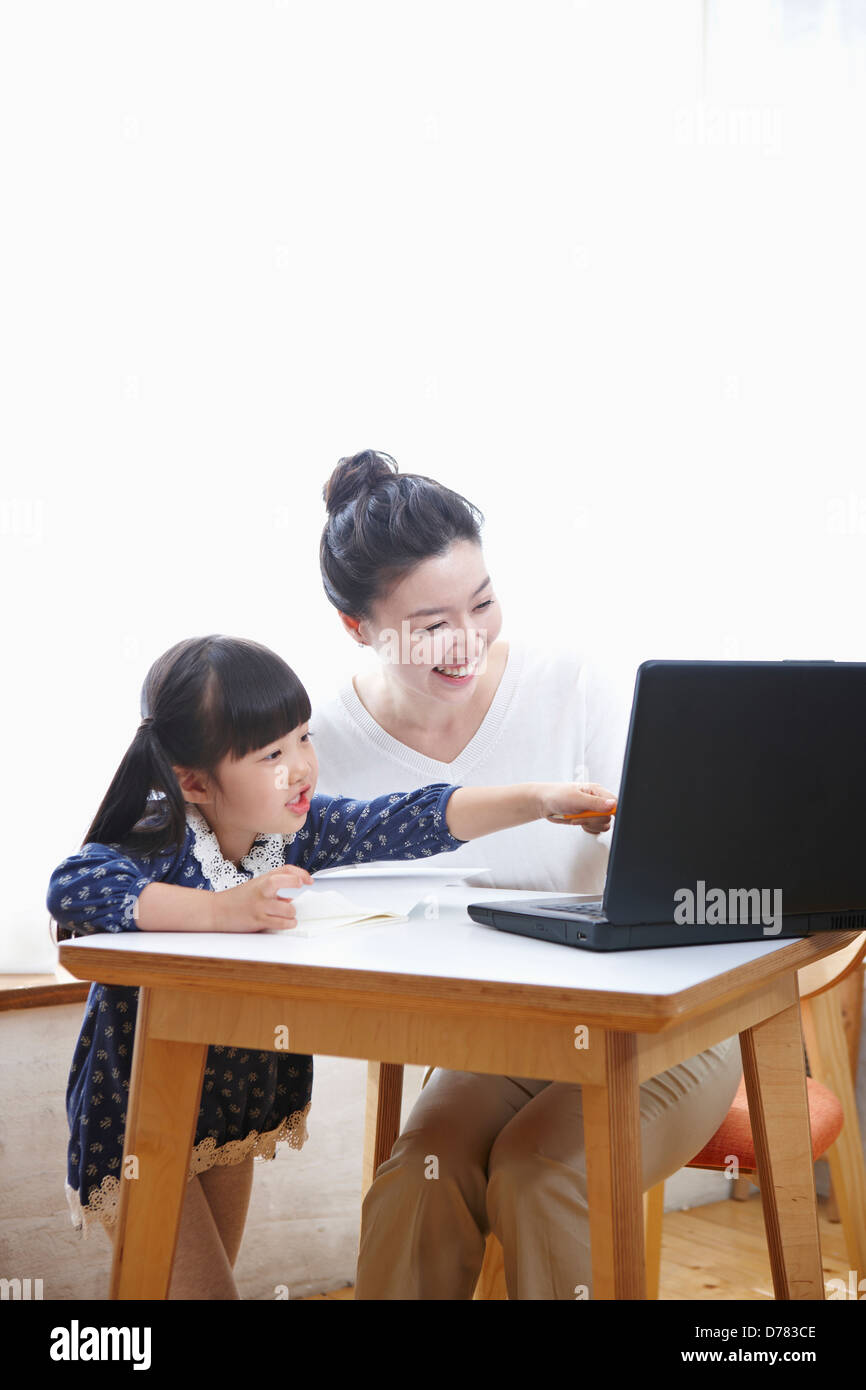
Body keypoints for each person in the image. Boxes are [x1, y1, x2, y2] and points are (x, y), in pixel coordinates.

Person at [46, 632, 614, 1300]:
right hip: (137, 1118)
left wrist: (538, 799)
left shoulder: (293, 833)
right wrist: (224, 910)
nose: (302, 767)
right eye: (272, 754)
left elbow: (409, 819)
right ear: (194, 781)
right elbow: (75, 886)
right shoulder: (157, 843)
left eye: (304, 738)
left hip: (228, 1112)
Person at [312, 449, 744, 1299]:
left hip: (659, 1028)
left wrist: (645, 832)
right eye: (431, 623)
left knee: (541, 1173)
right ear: (357, 628)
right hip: (494, 1039)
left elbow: (689, 870)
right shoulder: (322, 745)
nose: (467, 640)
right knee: (420, 1178)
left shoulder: (569, 685)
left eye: (482, 604)